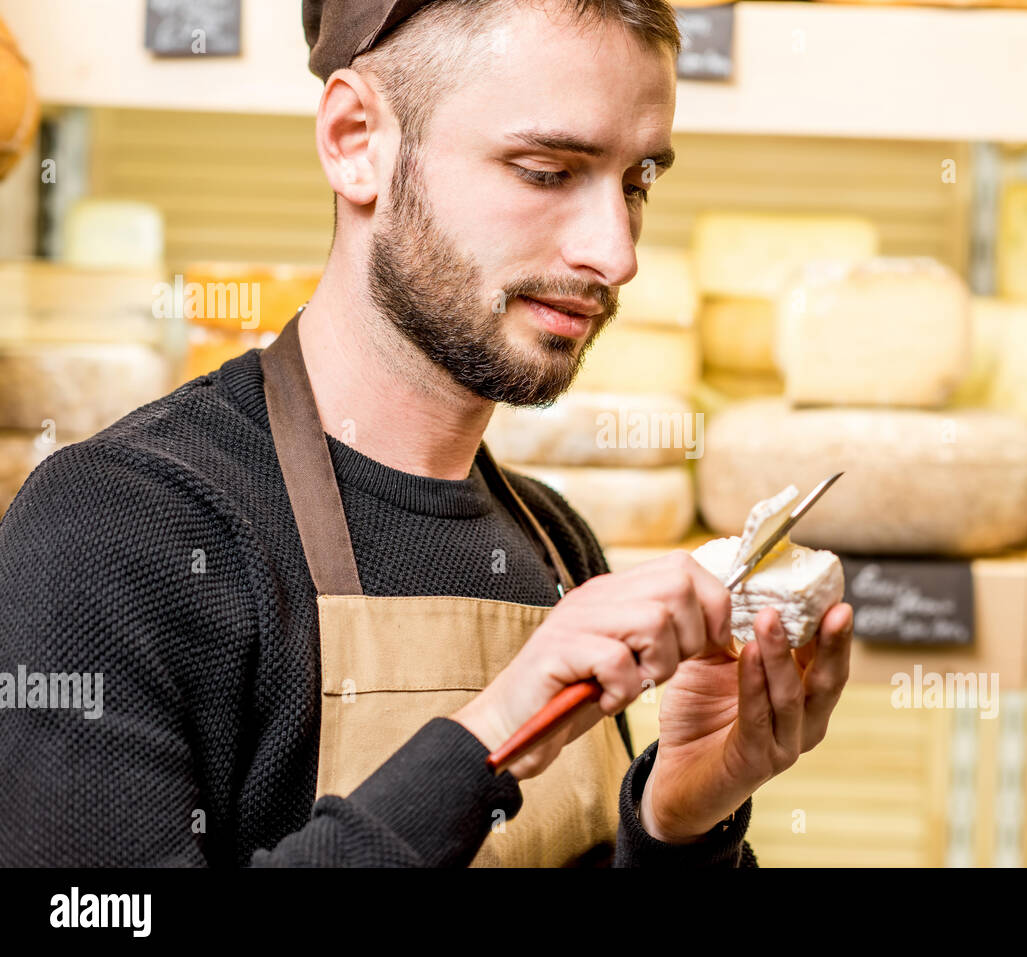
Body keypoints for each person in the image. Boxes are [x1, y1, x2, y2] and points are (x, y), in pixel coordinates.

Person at [0, 0, 854, 867]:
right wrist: (484, 738)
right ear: (355, 138)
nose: (617, 252)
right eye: (547, 171)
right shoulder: (111, 529)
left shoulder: (554, 544)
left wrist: (676, 828)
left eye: (637, 183)